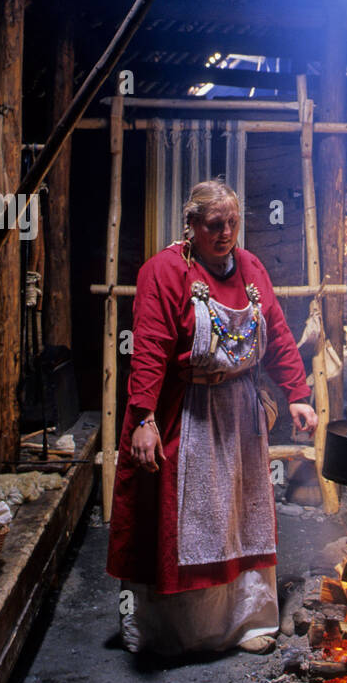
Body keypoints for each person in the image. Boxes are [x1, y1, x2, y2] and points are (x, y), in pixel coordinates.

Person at [106, 179, 317, 656]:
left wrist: (298, 394)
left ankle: (245, 621)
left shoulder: (251, 269)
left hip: (240, 415)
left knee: (241, 515)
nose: (225, 234)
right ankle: (177, 632)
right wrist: (143, 418)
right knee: (190, 517)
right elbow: (149, 350)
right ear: (192, 225)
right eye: (214, 224)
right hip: (188, 414)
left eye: (232, 223)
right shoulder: (164, 272)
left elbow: (278, 334)